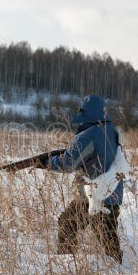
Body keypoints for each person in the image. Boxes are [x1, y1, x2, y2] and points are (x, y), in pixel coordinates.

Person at [38, 95, 125, 262]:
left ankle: (68, 262)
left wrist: (46, 163)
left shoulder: (88, 134)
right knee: (104, 234)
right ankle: (115, 268)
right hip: (112, 194)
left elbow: (68, 164)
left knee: (70, 225)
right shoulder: (112, 130)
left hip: (94, 195)